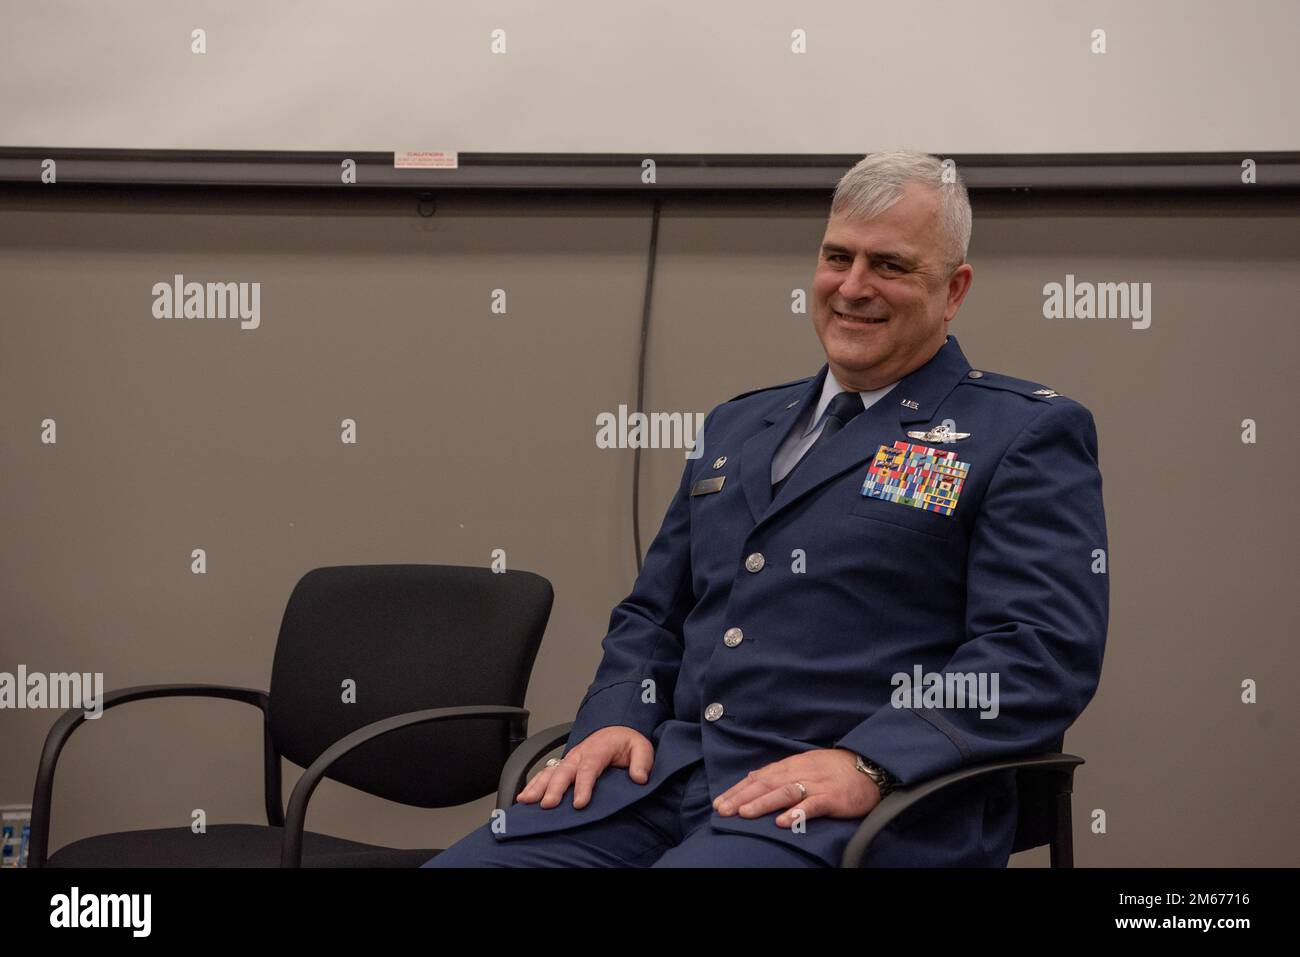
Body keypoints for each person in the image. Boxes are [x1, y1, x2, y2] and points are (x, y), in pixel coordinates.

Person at [424, 149, 1108, 868]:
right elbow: (654, 612)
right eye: (837, 256)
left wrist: (872, 760)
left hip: (857, 807)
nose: (852, 286)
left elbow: (1039, 650)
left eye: (890, 265)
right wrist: (617, 717)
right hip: (662, 783)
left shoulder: (1021, 432)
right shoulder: (737, 425)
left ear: (954, 288)